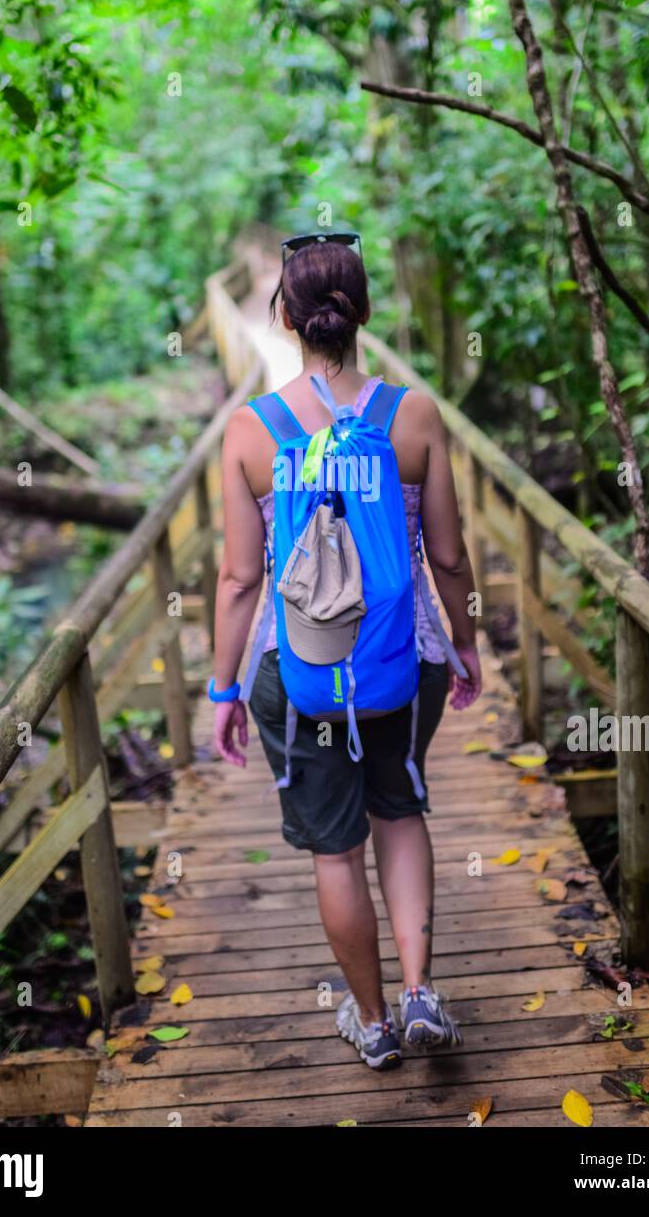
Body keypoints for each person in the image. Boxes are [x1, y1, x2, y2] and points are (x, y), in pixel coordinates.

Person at [210, 233, 482, 1069]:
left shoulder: (250, 431)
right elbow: (447, 554)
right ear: (363, 312)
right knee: (398, 812)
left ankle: (369, 1024)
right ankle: (420, 994)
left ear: (284, 318)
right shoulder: (414, 415)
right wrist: (465, 647)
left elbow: (235, 578)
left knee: (337, 845)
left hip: (298, 673)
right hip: (405, 662)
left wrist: (222, 691)